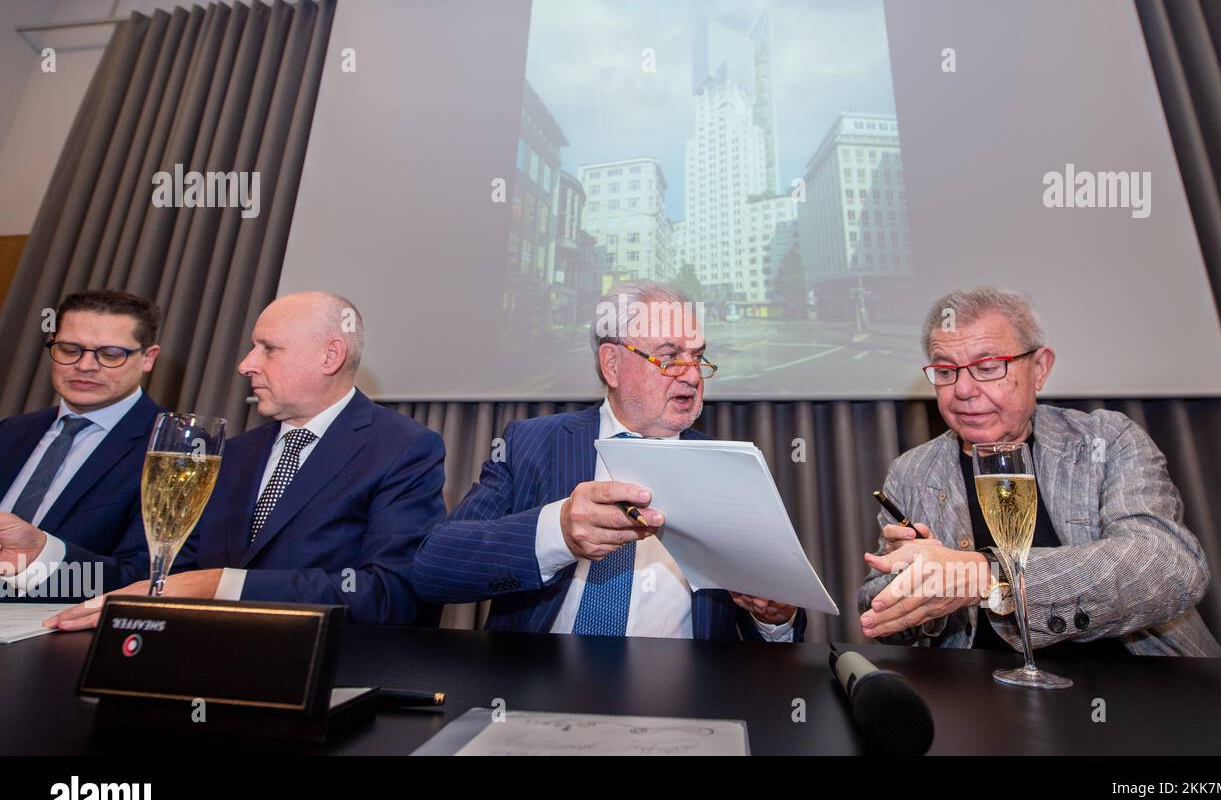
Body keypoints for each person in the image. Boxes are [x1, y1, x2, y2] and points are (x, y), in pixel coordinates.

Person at [413, 280, 803, 641]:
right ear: (612, 364)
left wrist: (772, 618)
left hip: (684, 699)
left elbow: (768, 635)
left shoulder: (731, 470)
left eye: (697, 357)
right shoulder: (532, 443)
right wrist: (558, 533)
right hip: (533, 689)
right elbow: (434, 567)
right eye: (670, 357)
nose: (693, 376)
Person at [858, 286, 1221, 657]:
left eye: (987, 367)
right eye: (945, 371)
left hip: (1135, 677)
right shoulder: (912, 472)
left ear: (1039, 369)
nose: (963, 389)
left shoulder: (1107, 440)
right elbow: (881, 622)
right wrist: (905, 579)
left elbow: (1165, 565)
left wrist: (985, 575)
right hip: (981, 689)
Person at [47, 291, 446, 628]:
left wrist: (224, 585)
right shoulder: (234, 453)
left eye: (267, 349)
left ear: (330, 357)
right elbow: (173, 576)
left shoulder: (403, 449)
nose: (245, 365)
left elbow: (391, 594)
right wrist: (44, 552)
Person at [0, 290, 164, 599]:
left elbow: (145, 580)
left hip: (51, 634)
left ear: (149, 358)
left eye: (111, 354)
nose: (85, 365)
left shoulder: (169, 450)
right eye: (69, 349)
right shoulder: (11, 431)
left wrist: (36, 564)